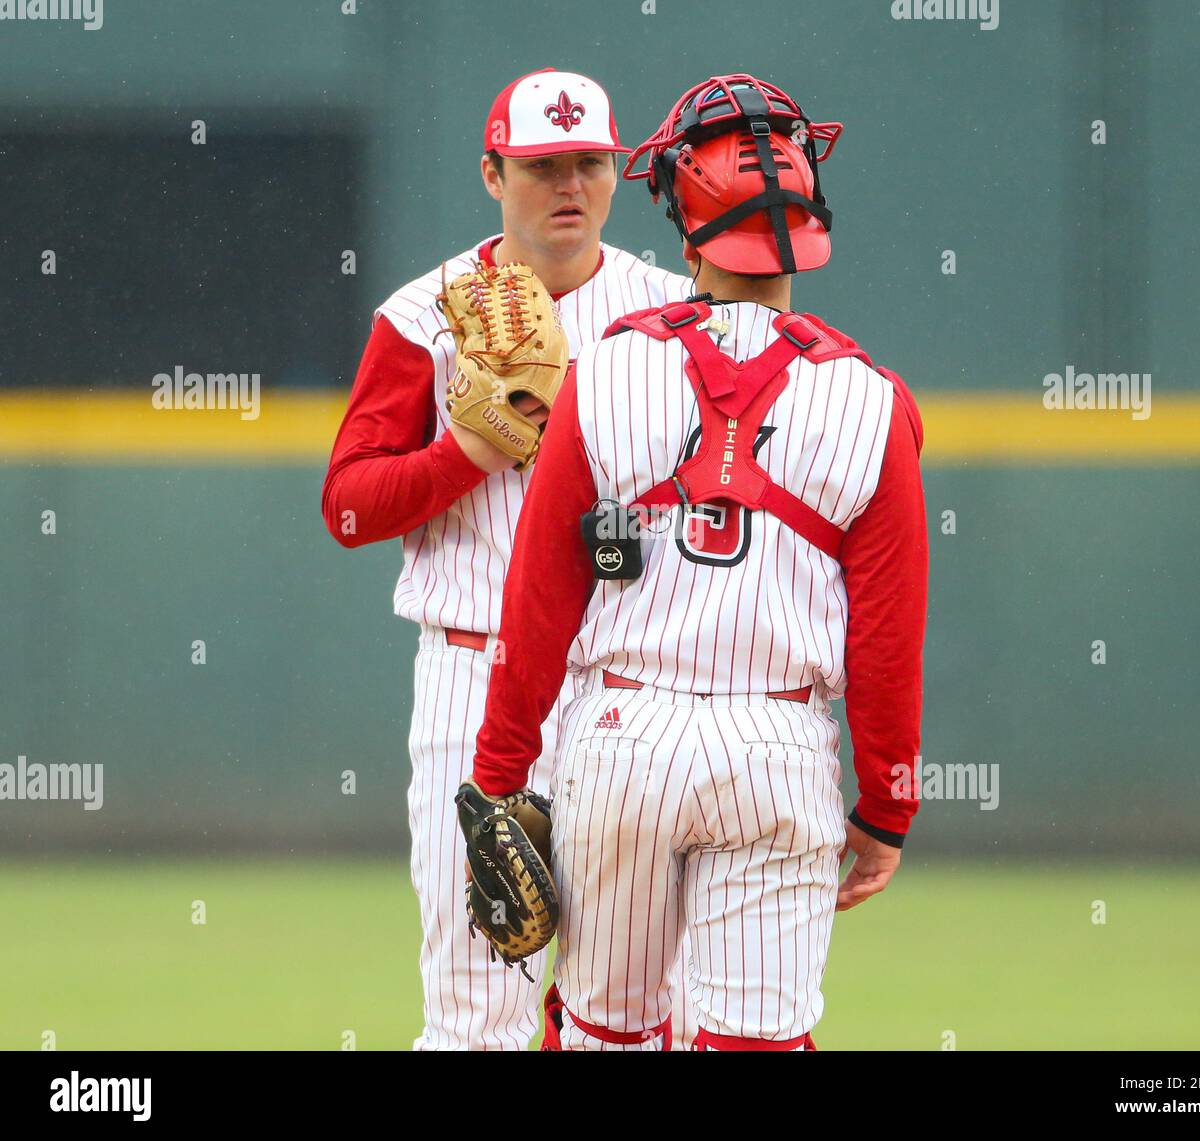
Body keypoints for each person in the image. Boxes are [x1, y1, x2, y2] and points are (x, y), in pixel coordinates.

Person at [466, 73, 929, 1050]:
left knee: (602, 1035)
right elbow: (889, 634)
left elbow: (538, 597)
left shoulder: (602, 371)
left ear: (682, 223)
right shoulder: (874, 402)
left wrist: (499, 773)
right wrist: (884, 805)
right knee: (757, 1042)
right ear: (808, 225)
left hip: (621, 738)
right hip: (777, 748)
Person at [322, 67, 693, 1050]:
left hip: (629, 681)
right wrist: (468, 452)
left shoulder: (672, 313)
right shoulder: (423, 314)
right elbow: (349, 510)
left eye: (590, 164)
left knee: (633, 1012)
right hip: (473, 670)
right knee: (475, 1012)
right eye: (541, 167)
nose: (569, 185)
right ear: (492, 172)